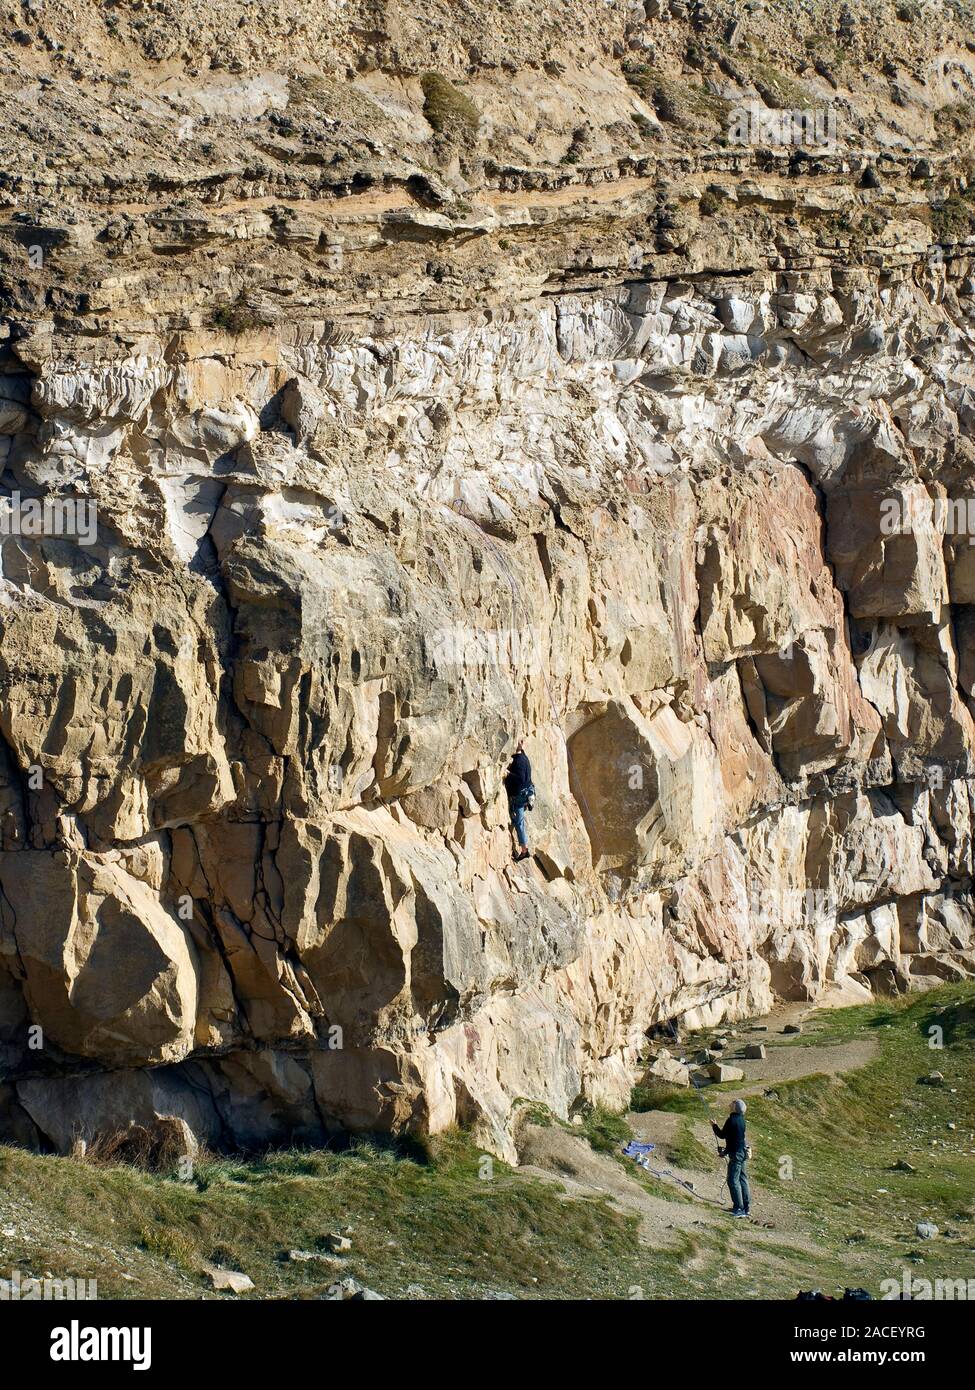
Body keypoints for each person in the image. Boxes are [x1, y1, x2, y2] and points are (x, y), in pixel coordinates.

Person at [712, 1098, 751, 1218]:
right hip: (742, 1152)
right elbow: (735, 1139)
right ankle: (746, 1206)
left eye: (733, 1102)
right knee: (742, 1179)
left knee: (733, 1181)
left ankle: (739, 1208)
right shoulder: (741, 1120)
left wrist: (714, 1125)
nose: (731, 1103)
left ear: (735, 1107)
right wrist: (725, 1152)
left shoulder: (731, 1120)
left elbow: (722, 1135)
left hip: (736, 1154)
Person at [504, 740, 534, 862]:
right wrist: (521, 748)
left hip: (520, 794)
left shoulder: (519, 761)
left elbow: (520, 779)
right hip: (528, 792)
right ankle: (524, 849)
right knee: (520, 821)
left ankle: (524, 850)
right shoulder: (524, 758)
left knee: (519, 823)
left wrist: (508, 774)